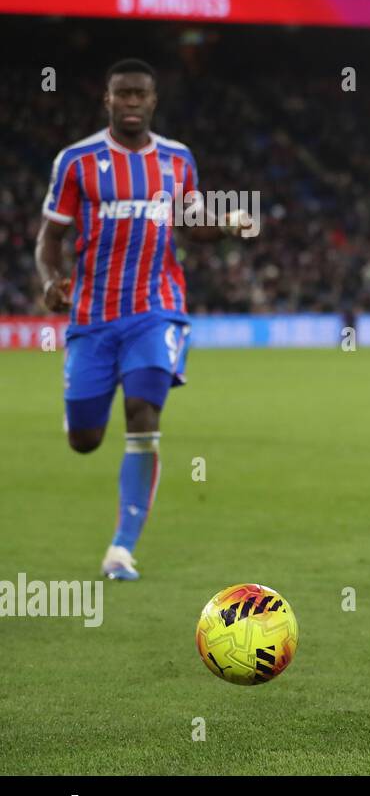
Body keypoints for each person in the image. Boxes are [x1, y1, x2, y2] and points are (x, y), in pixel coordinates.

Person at [35, 58, 250, 581]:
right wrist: (48, 282)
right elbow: (50, 239)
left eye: (140, 95)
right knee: (84, 439)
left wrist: (225, 224)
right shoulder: (77, 161)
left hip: (156, 309)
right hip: (92, 315)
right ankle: (83, 409)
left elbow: (190, 225)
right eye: (122, 94)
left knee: (142, 413)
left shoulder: (178, 160)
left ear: (153, 101)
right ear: (107, 100)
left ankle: (121, 549)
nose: (131, 102)